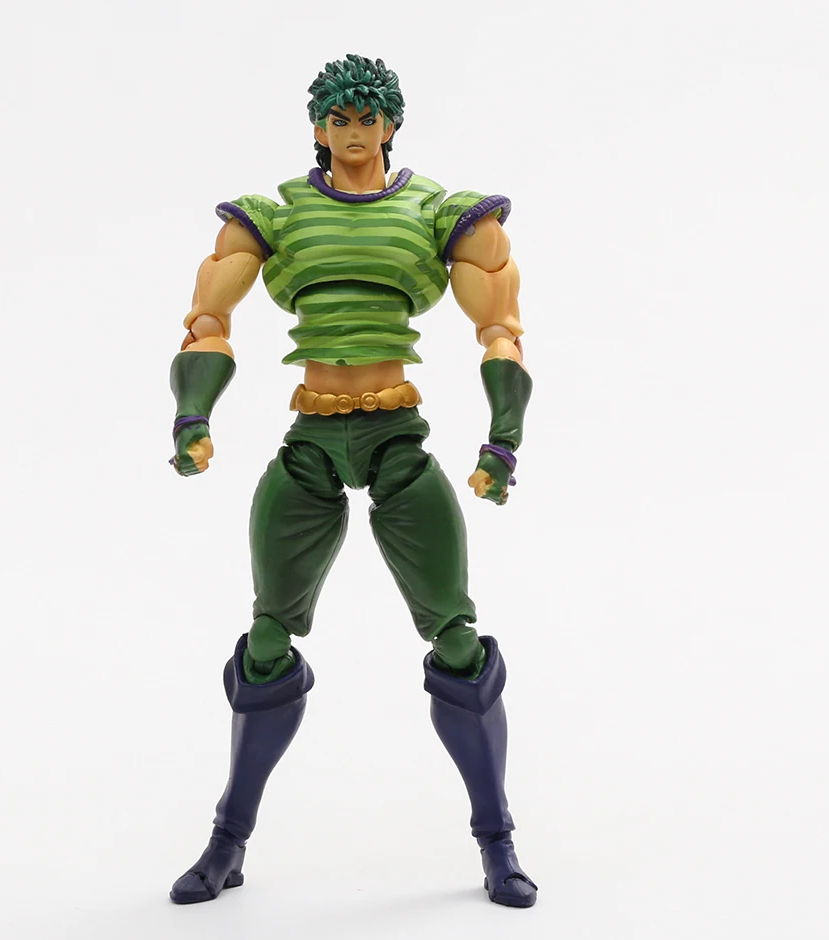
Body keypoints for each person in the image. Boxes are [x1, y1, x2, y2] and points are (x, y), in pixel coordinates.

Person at [167, 54, 536, 908]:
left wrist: (503, 439)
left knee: (455, 638)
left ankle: (497, 840)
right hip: (310, 439)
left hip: (397, 437)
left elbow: (501, 330)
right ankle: (228, 840)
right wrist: (192, 415)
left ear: (391, 125)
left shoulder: (437, 212)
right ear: (319, 127)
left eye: (368, 118)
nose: (355, 132)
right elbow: (209, 317)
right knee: (266, 640)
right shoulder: (278, 215)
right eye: (339, 119)